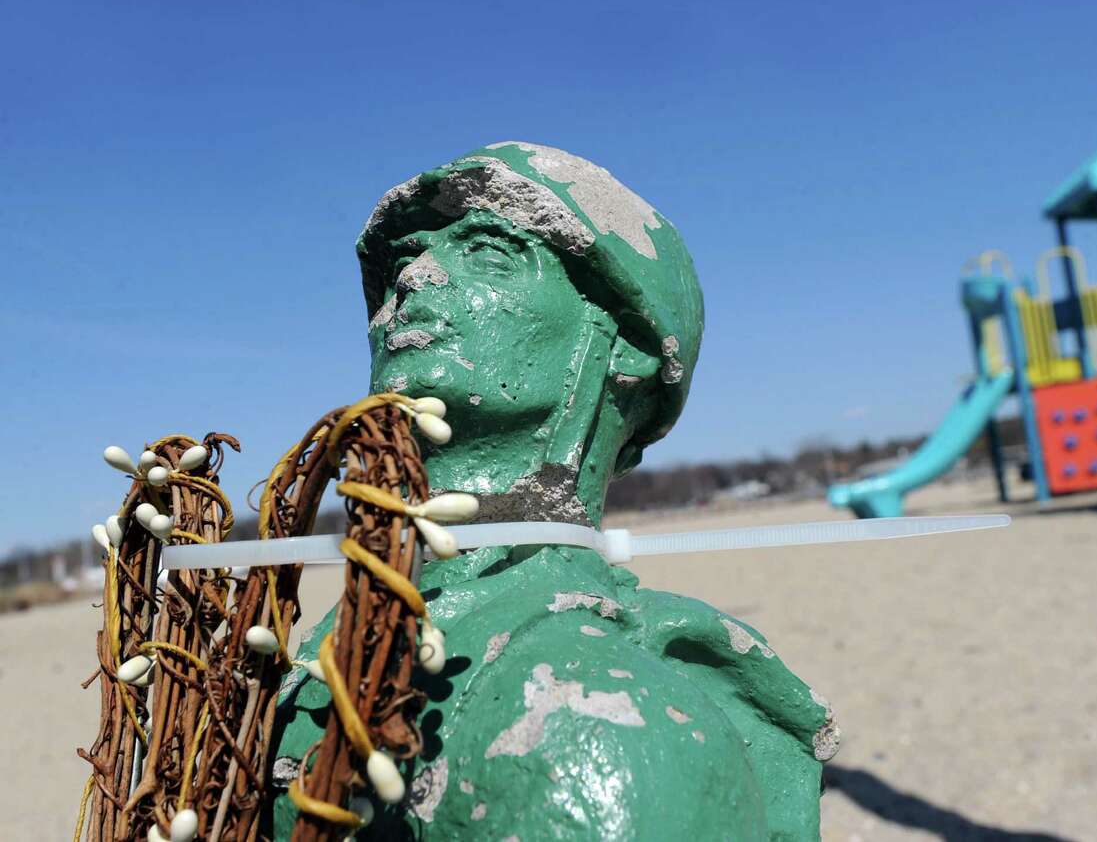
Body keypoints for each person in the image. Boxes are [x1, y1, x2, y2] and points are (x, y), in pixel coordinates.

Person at [271, 142, 839, 841]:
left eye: (488, 250)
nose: (412, 277)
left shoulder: (594, 712)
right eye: (399, 263)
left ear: (625, 347)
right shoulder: (318, 648)